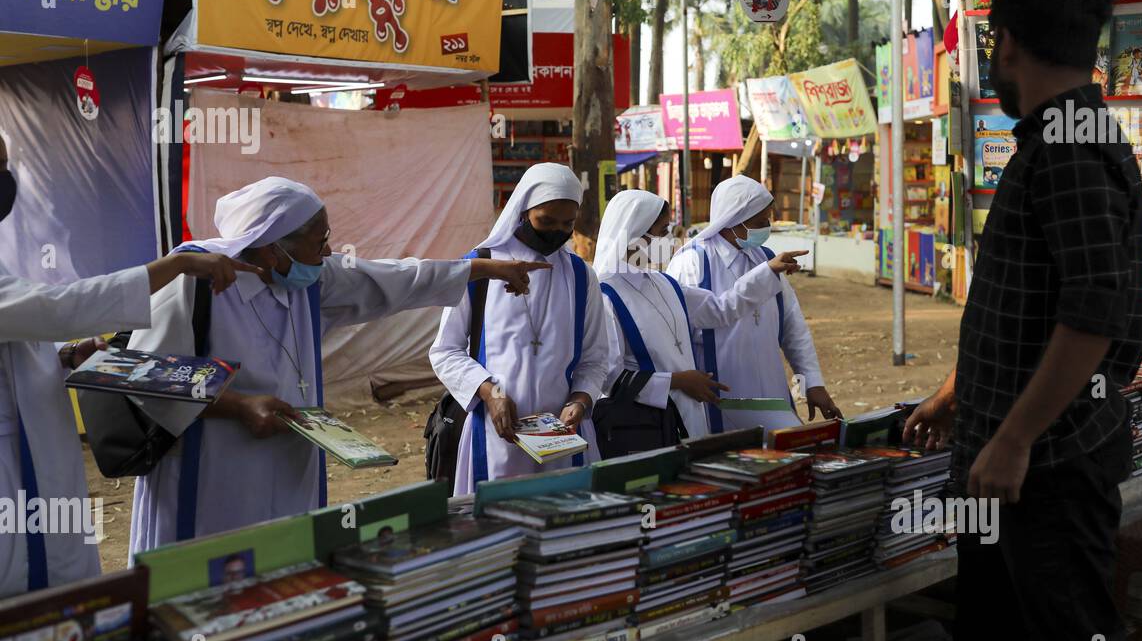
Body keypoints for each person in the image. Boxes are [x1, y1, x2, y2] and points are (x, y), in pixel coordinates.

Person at [903, 0, 1142, 641]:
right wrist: (955, 397)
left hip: (1046, 467)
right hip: (1000, 460)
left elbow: (1092, 313)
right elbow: (1021, 307)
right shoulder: (1051, 142)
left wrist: (1013, 438)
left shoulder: (1070, 151)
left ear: (1004, 43)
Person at [127, 176, 543, 554]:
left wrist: (484, 268)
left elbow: (395, 278)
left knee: (281, 566)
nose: (328, 251)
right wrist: (238, 404)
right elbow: (142, 375)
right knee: (204, 572)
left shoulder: (306, 280)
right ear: (273, 248)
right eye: (319, 240)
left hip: (289, 466)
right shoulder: (193, 281)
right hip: (210, 469)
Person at [0, 134, 257, 596]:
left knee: (55, 593)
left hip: (35, 464)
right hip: (12, 474)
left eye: (4, 166)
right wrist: (173, 267)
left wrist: (58, 360)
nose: (6, 182)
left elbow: (17, 342)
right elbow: (56, 308)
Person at [430, 163, 610, 494]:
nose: (557, 232)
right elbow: (445, 350)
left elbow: (596, 357)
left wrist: (581, 400)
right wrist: (490, 393)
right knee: (496, 529)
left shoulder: (582, 276)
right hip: (494, 433)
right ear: (524, 211)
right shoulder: (481, 266)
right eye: (546, 221)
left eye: (567, 224)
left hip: (562, 437)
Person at [595, 190, 805, 444]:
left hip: (685, 418)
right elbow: (607, 377)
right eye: (662, 232)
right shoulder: (605, 294)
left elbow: (720, 309)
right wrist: (677, 381)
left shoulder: (663, 283)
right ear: (634, 235)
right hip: (641, 426)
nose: (669, 239)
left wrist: (767, 271)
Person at [666, 176, 839, 433]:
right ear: (733, 220)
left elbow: (793, 327)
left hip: (771, 395)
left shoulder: (765, 257)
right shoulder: (693, 263)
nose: (766, 227)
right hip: (718, 399)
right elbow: (696, 324)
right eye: (760, 222)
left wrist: (811, 383)